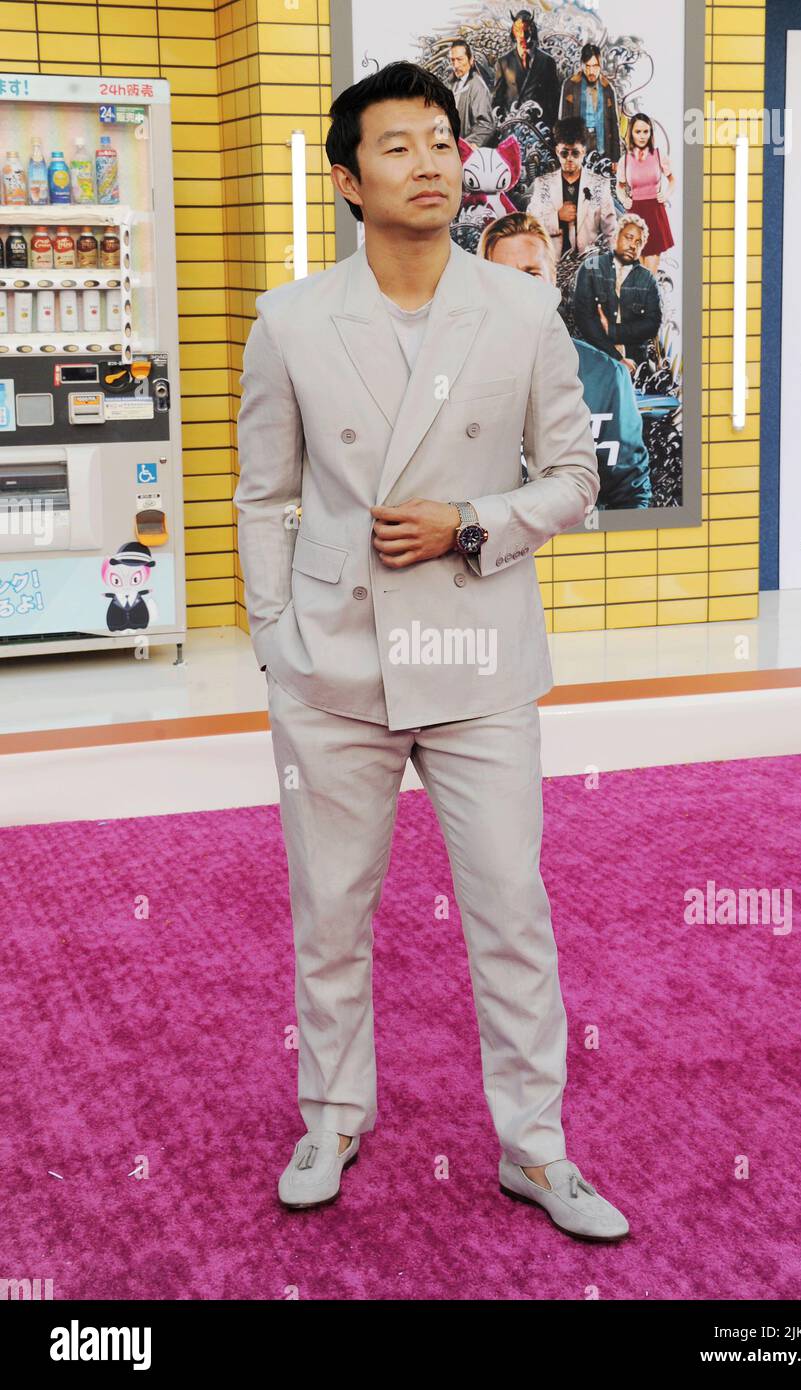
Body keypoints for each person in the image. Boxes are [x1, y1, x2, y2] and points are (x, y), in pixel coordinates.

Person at [234, 60, 629, 1243]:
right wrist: (273, 635)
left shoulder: (521, 310)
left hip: (478, 653)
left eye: (442, 143)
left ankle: (536, 1145)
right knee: (329, 910)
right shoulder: (291, 320)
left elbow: (574, 479)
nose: (429, 163)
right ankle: (331, 1116)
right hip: (333, 664)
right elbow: (263, 495)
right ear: (348, 180)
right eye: (397, 146)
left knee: (511, 907)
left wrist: (471, 522)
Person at [478, 213, 652, 509]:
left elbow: (630, 494)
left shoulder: (607, 377)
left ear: (553, 280)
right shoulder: (456, 376)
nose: (518, 288)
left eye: (532, 274)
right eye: (502, 276)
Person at [572, 213, 662, 373]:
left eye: (639, 242)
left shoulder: (647, 279)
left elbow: (652, 324)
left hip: (635, 369)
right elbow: (584, 319)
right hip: (595, 362)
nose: (633, 245)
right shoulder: (591, 268)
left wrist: (614, 330)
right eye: (629, 237)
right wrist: (617, 358)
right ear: (616, 237)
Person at [526, 117, 617, 260]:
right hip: (552, 264)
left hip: (589, 265)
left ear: (584, 151)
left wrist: (611, 266)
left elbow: (611, 233)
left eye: (575, 153)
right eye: (564, 153)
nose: (569, 158)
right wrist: (557, 217)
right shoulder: (542, 184)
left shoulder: (599, 185)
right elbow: (530, 225)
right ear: (557, 151)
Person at [616, 112, 676, 274]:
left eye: (646, 131)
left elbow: (672, 180)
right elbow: (619, 186)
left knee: (650, 273)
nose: (642, 136)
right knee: (638, 271)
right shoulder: (625, 160)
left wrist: (666, 195)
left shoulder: (658, 155)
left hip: (655, 213)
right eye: (638, 132)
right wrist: (623, 199)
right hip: (635, 214)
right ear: (631, 133)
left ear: (650, 133)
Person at [492, 9, 560, 133]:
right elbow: (497, 99)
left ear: (532, 31)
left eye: (526, 31)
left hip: (539, 129)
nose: (522, 36)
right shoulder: (503, 62)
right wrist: (502, 125)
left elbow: (555, 100)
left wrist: (551, 127)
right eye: (518, 30)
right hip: (512, 127)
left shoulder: (547, 61)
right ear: (513, 32)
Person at [558, 43, 620, 164]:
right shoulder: (570, 85)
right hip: (578, 141)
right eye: (588, 66)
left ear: (600, 65)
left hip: (601, 142)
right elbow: (563, 123)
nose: (591, 71)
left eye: (595, 66)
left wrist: (616, 159)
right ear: (582, 65)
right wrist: (564, 155)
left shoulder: (607, 88)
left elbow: (614, 124)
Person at [449, 38, 495, 149]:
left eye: (460, 60)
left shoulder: (477, 86)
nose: (455, 65)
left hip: (466, 152)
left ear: (471, 60)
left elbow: (486, 125)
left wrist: (465, 146)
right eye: (452, 60)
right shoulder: (452, 84)